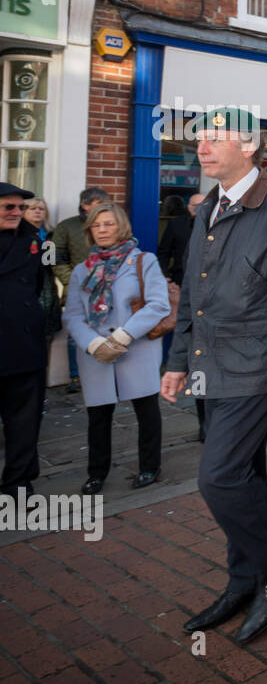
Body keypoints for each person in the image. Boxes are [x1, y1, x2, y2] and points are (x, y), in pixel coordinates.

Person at [160, 107, 267, 646]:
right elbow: (192, 290)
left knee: (218, 477)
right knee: (243, 474)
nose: (202, 146)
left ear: (251, 147)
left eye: (216, 138)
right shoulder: (208, 206)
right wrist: (175, 360)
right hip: (210, 364)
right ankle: (244, 579)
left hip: (260, 362)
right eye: (200, 138)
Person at [62, 203, 171, 494]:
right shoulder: (82, 270)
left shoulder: (143, 261)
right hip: (96, 354)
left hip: (135, 349)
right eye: (96, 226)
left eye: (108, 224)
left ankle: (150, 467)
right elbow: (72, 314)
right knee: (99, 417)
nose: (102, 230)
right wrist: (94, 344)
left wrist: (121, 337)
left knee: (146, 411)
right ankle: (96, 473)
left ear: (120, 226)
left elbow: (158, 304)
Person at [1, 181, 52, 498]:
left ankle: (17, 484)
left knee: (24, 423)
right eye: (9, 207)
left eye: (21, 207)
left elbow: (37, 288)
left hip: (24, 346)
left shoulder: (34, 241)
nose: (17, 212)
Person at [54, 187, 111, 395]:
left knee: (109, 330)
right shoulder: (65, 226)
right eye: (99, 204)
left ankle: (104, 372)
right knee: (76, 335)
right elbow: (52, 255)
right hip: (78, 290)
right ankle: (76, 376)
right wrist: (71, 280)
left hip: (108, 288)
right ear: (85, 205)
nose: (105, 208)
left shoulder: (112, 224)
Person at [155, 194, 194, 285]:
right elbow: (164, 252)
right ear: (189, 207)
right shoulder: (176, 224)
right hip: (180, 278)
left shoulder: (216, 224)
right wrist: (165, 275)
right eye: (197, 205)